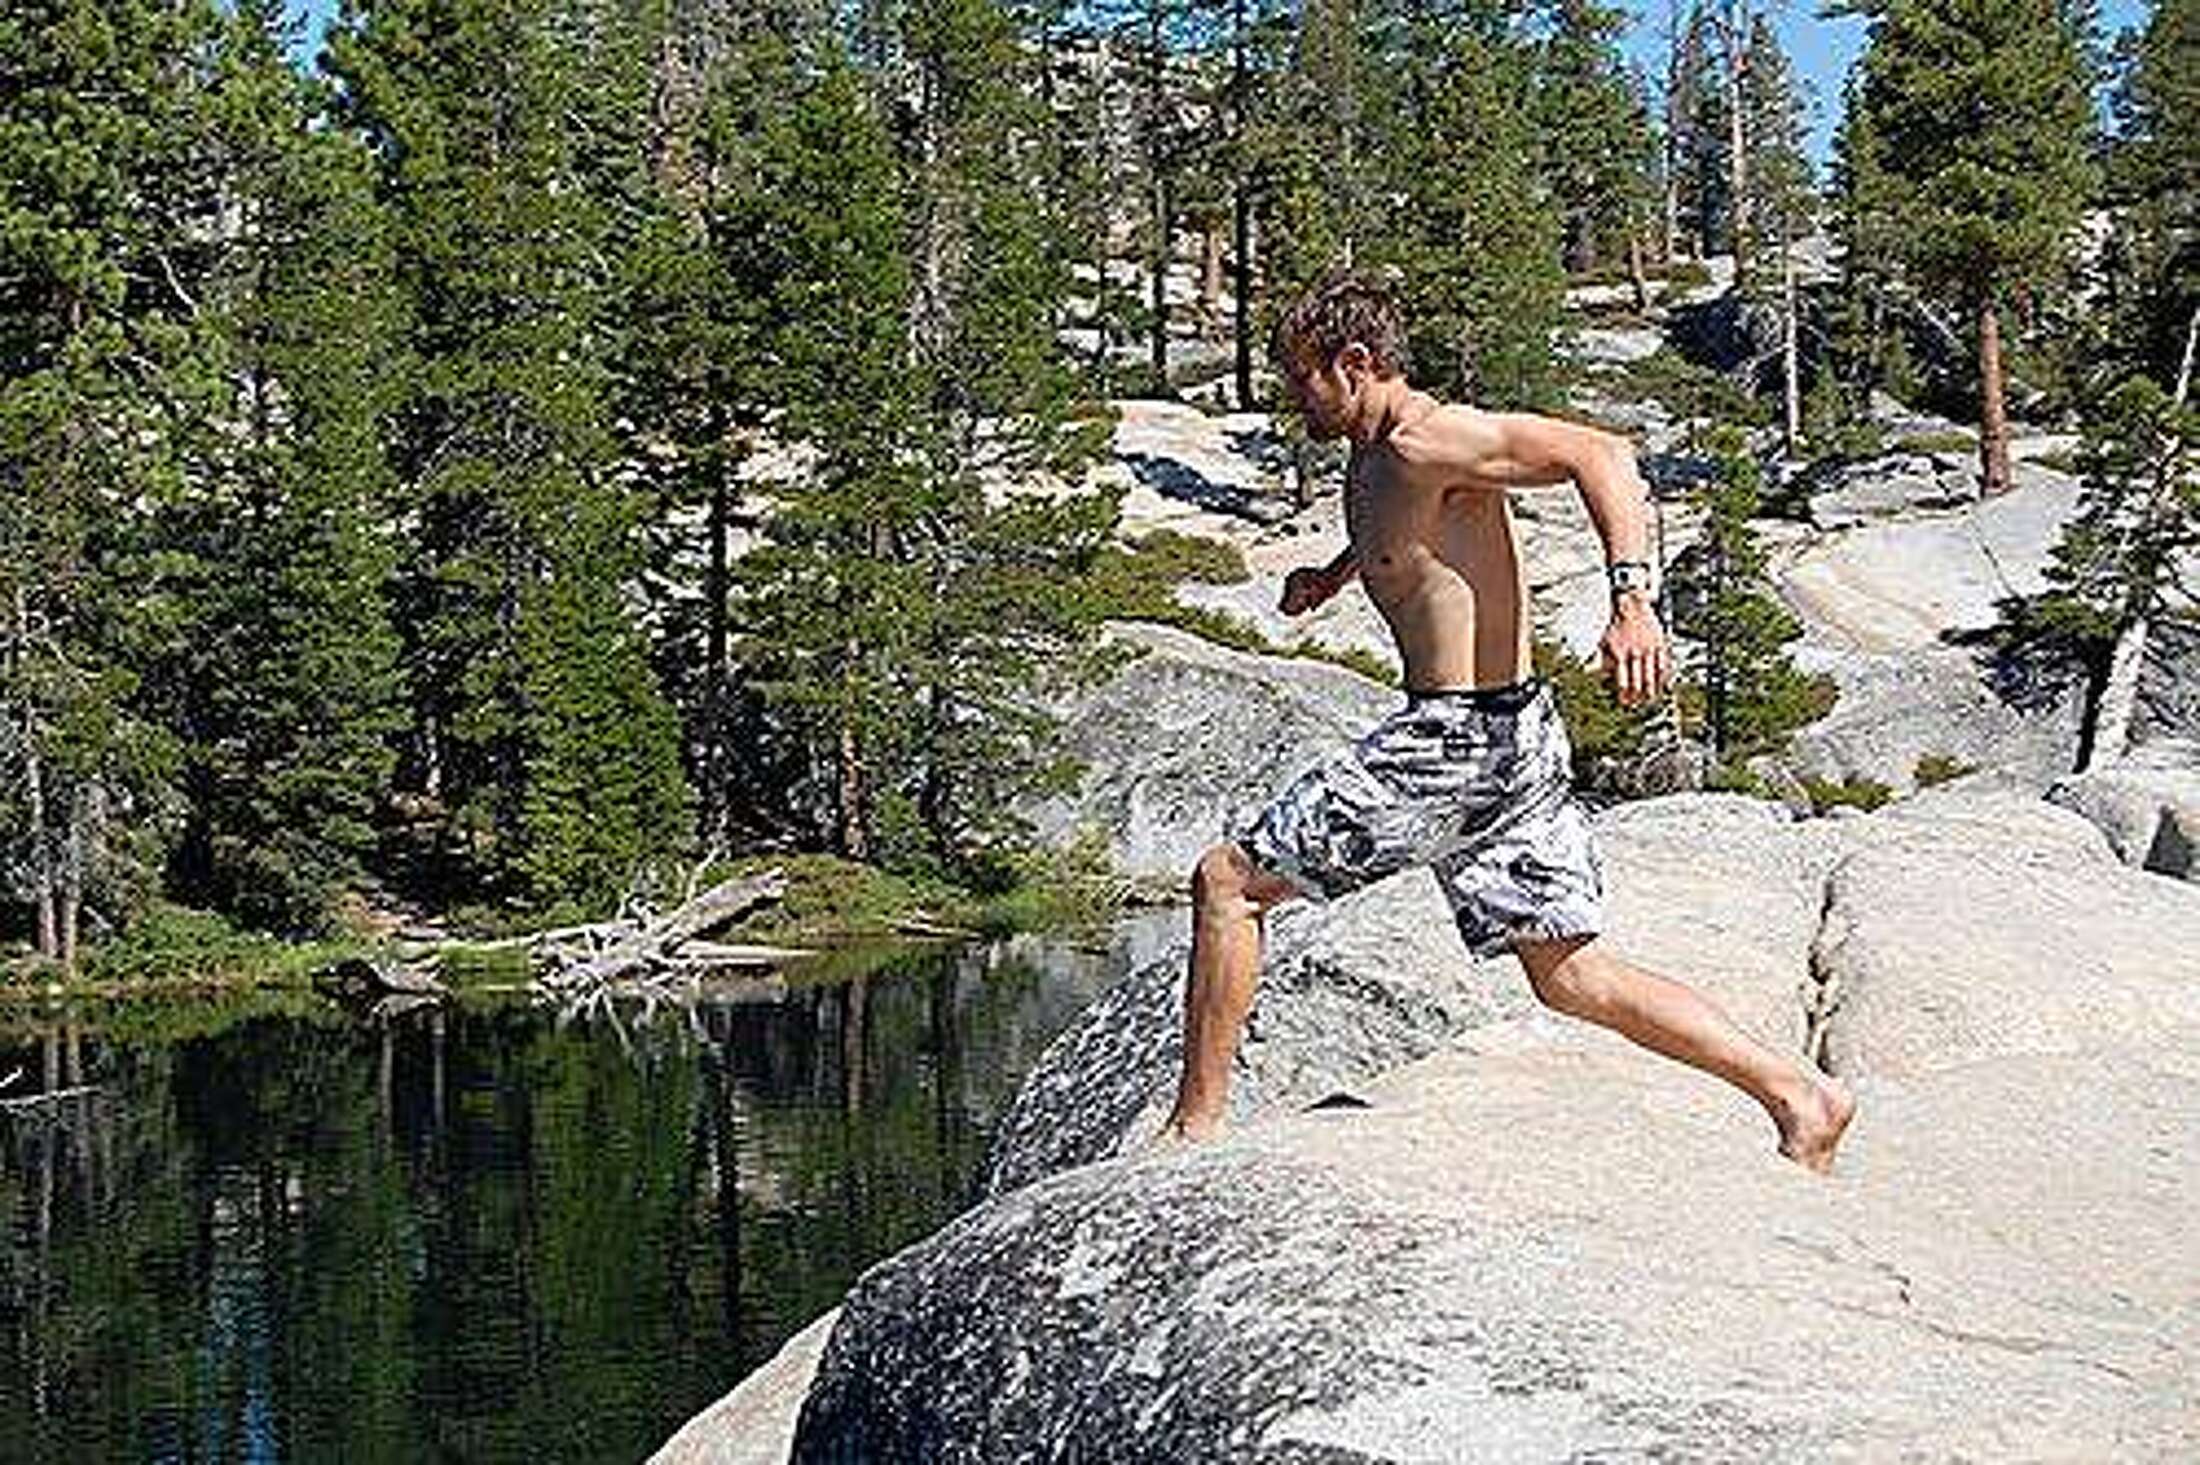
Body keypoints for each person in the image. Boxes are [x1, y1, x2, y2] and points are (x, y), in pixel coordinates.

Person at [1161, 271, 1854, 1172]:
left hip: (1458, 744)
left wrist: (1634, 602)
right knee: (1572, 975)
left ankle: (1193, 1131)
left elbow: (1603, 453)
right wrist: (1335, 576)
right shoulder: (1374, 453)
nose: (1295, 398)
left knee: (1227, 883)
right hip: (1515, 737)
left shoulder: (1432, 437)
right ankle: (1802, 1093)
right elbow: (1407, 533)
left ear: (1357, 362)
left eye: (1304, 378)